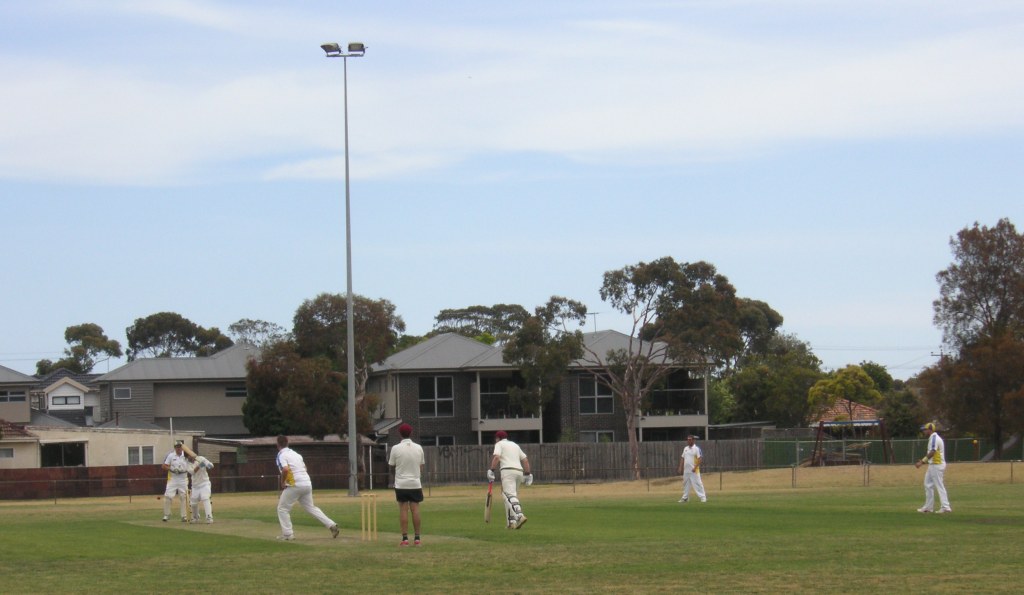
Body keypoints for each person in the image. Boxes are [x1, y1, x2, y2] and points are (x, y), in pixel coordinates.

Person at [275, 435, 340, 540]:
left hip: (295, 484)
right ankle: (331, 525)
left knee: (282, 509)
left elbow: (285, 469)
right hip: (307, 483)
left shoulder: (281, 455)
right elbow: (305, 468)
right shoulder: (296, 454)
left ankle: (288, 534)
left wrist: (282, 482)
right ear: (287, 443)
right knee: (311, 507)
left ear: (277, 445)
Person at [388, 423, 425, 546]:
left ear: (400, 434)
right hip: (415, 483)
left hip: (401, 484)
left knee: (403, 509)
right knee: (415, 509)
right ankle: (417, 538)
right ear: (411, 433)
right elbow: (421, 467)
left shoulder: (395, 448)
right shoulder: (419, 448)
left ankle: (405, 539)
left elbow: (391, 466)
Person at [487, 430, 532, 529]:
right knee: (509, 496)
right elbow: (525, 460)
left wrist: (491, 470)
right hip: (519, 472)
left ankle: (519, 516)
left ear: (498, 438)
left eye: (496, 438)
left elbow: (497, 457)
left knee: (508, 495)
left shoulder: (499, 444)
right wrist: (528, 474)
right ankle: (511, 523)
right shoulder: (515, 445)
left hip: (508, 471)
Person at [915, 422, 952, 514]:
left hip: (936, 464)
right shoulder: (933, 438)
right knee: (928, 484)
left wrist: (922, 462)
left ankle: (945, 507)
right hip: (933, 465)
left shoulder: (934, 438)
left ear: (930, 430)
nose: (924, 431)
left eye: (925, 429)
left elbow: (932, 452)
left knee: (939, 485)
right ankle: (928, 507)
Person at [161, 440, 190, 522]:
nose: (178, 449)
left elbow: (193, 461)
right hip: (173, 478)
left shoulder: (186, 455)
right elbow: (164, 466)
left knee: (183, 497)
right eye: (177, 447)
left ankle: (184, 516)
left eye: (180, 447)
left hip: (183, 478)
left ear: (182, 447)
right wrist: (171, 469)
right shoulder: (171, 455)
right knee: (168, 496)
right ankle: (167, 515)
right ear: (175, 448)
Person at [677, 434, 707, 503]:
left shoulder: (696, 449)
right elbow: (682, 458)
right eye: (687, 440)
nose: (688, 441)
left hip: (694, 470)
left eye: (690, 440)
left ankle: (703, 497)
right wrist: (680, 467)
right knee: (685, 484)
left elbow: (700, 459)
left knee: (698, 484)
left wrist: (695, 467)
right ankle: (685, 498)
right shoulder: (685, 448)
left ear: (693, 440)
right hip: (686, 470)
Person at [186, 451, 215, 524]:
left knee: (205, 498)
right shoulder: (187, 463)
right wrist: (200, 465)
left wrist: (207, 464)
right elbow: (192, 472)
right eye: (188, 456)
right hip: (195, 486)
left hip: (204, 483)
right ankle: (195, 517)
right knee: (193, 503)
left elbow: (211, 466)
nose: (189, 457)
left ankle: (209, 517)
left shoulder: (201, 458)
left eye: (190, 455)